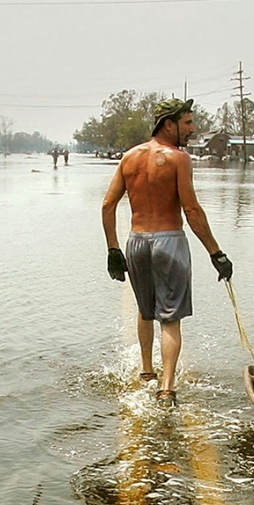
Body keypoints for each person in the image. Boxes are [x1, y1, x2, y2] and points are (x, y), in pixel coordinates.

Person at [101, 97, 233, 405]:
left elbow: (108, 205)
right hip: (169, 241)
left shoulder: (129, 158)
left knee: (145, 312)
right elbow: (192, 211)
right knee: (170, 320)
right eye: (187, 123)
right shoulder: (177, 159)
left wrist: (113, 249)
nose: (192, 129)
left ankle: (147, 373)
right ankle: (166, 389)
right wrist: (217, 253)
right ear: (168, 124)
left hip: (136, 242)